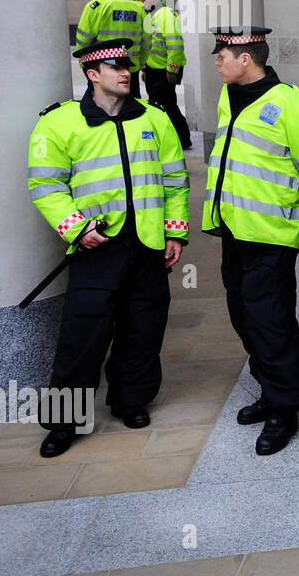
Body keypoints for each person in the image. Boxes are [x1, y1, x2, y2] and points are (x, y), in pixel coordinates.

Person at [27, 39, 188, 457]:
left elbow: (174, 181)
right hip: (96, 248)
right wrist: (75, 229)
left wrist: (174, 232)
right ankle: (66, 422)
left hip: (148, 245)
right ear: (92, 74)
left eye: (128, 66)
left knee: (143, 326)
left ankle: (131, 401)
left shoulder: (155, 119)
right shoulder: (59, 123)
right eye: (114, 66)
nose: (125, 72)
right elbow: (46, 186)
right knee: (83, 336)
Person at [204, 27, 299, 456]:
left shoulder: (290, 103)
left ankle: (285, 408)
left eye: (223, 52)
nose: (216, 59)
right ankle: (270, 389)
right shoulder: (228, 96)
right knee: (243, 315)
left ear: (247, 58)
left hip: (271, 235)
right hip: (232, 229)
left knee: (270, 321)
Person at [77, 0, 146, 99]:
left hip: (102, 67)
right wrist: (142, 62)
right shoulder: (140, 8)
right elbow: (147, 41)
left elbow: (83, 38)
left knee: (101, 102)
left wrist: (83, 62)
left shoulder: (95, 7)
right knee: (132, 103)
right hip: (131, 67)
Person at [138, 0, 191, 150]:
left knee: (166, 105)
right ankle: (171, 138)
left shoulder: (166, 15)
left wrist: (172, 69)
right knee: (158, 103)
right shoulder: (151, 16)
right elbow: (149, 46)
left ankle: (182, 139)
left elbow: (175, 45)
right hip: (154, 69)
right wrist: (145, 68)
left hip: (165, 70)